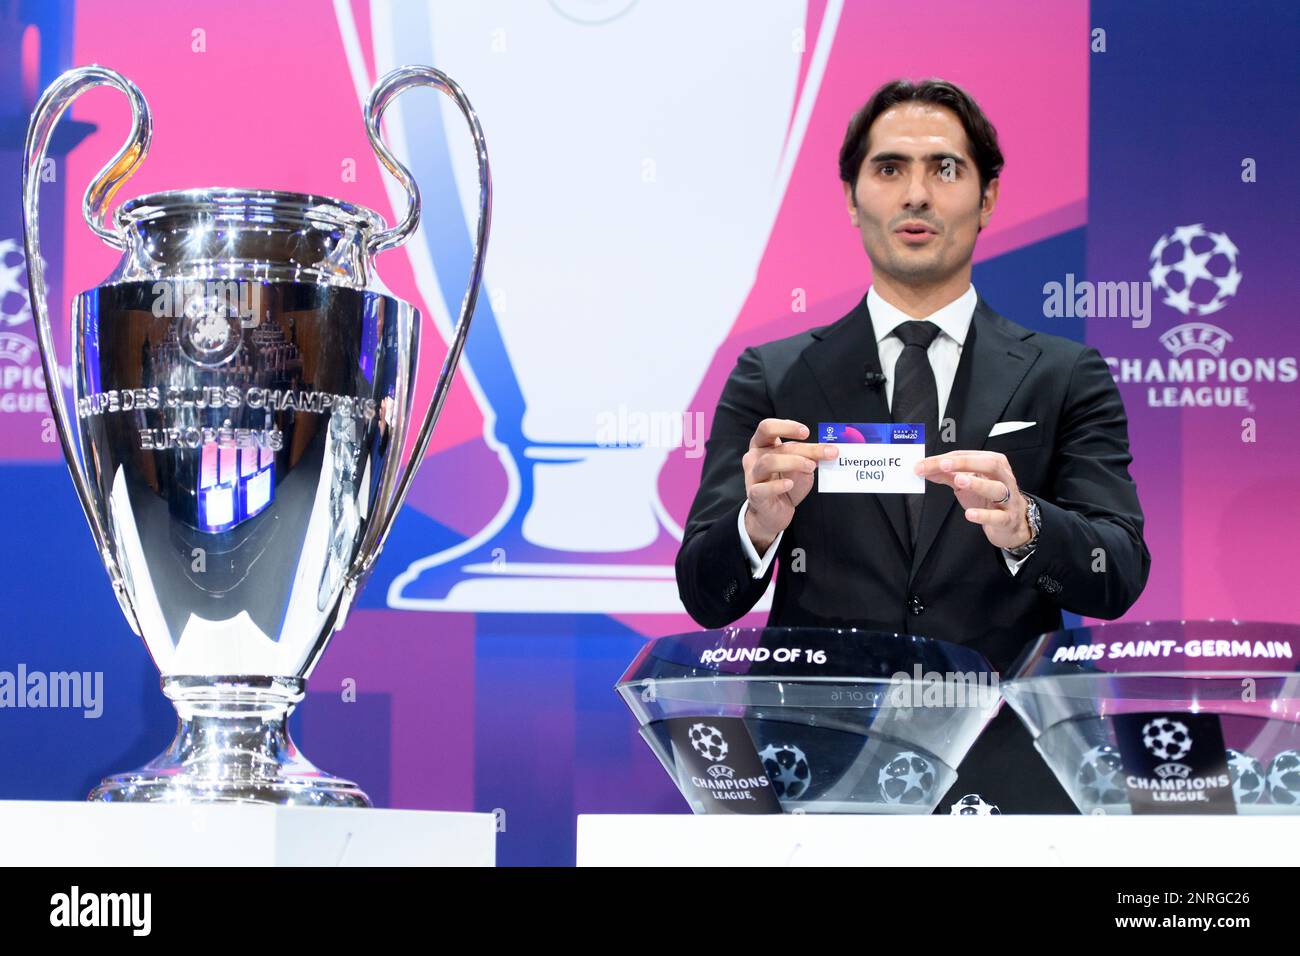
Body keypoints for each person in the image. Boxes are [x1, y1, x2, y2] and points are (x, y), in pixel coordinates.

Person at [675, 78, 1151, 812]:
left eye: (946, 168)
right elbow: (706, 595)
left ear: (987, 198)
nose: (917, 195)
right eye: (890, 168)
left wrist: (1027, 525)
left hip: (1006, 763)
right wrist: (757, 526)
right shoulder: (773, 376)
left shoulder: (1063, 375)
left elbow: (1117, 574)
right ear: (852, 195)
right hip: (820, 761)